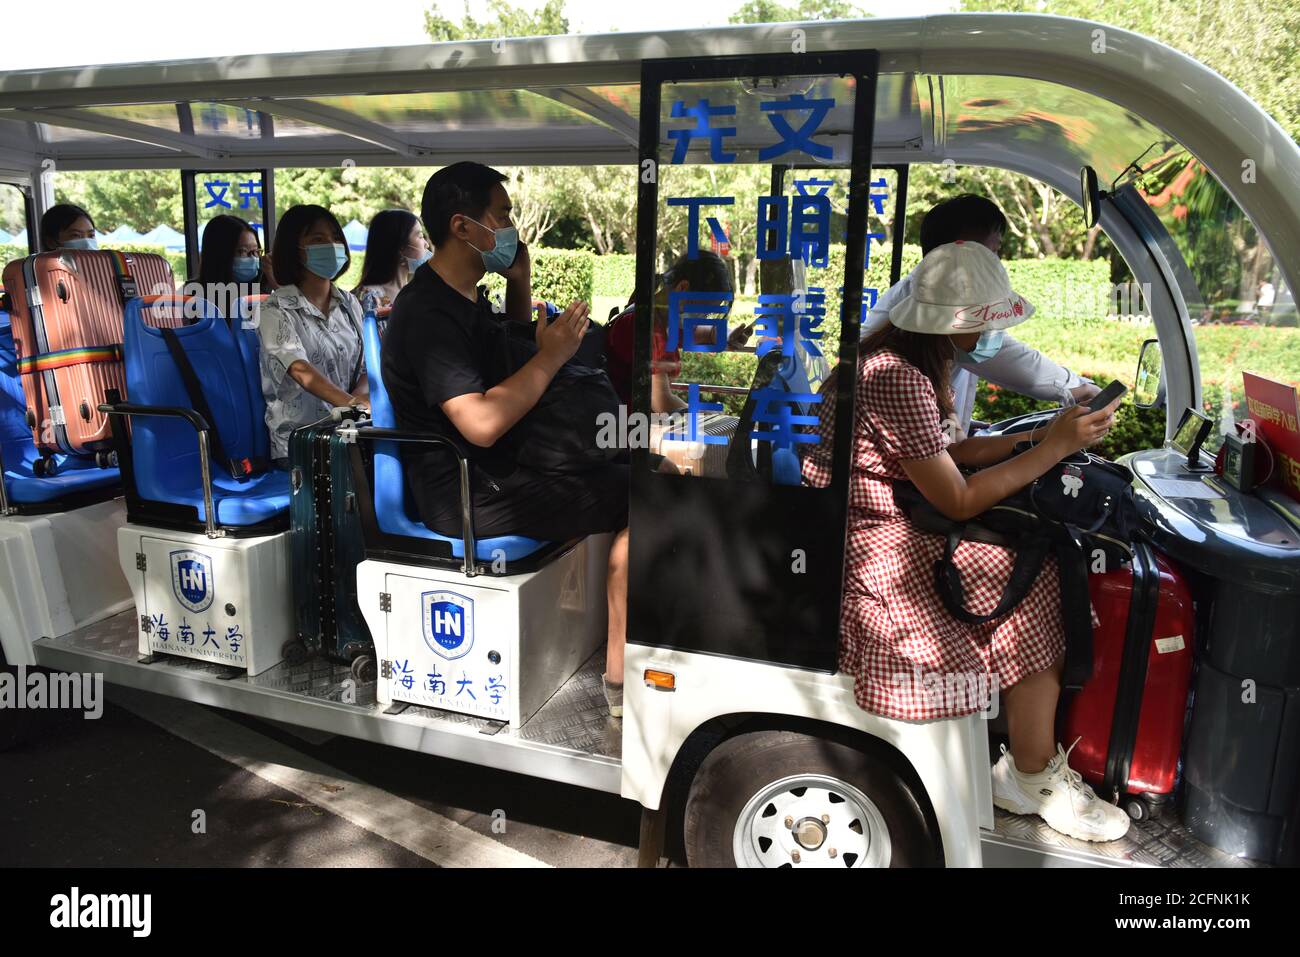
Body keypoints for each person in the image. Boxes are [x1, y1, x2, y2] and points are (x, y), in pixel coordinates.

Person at [804, 240, 1129, 843]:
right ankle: (1032, 774)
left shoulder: (909, 360)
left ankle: (1026, 759)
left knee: (1035, 557)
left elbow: (952, 450)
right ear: (955, 324)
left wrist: (1040, 436)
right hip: (871, 541)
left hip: (896, 516)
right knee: (1041, 576)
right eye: (988, 322)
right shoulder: (896, 376)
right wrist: (1055, 447)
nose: (993, 335)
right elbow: (957, 497)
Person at [382, 161, 630, 716]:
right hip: (466, 491)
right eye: (502, 216)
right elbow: (482, 422)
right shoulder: (427, 313)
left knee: (640, 468)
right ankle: (620, 676)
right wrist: (553, 356)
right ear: (462, 226)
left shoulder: (467, 299)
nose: (511, 228)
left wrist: (520, 283)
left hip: (502, 470)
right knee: (643, 496)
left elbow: (507, 360)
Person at [866, 194, 1100, 437]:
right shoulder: (904, 379)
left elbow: (954, 444)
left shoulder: (930, 347)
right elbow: (953, 459)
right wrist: (1059, 428)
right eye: (991, 252)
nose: (989, 332)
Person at [254, 204, 368, 467]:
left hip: (349, 431)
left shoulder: (349, 304)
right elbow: (300, 369)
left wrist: (360, 400)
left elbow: (364, 366)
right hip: (302, 442)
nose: (331, 245)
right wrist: (352, 403)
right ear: (294, 250)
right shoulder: (274, 309)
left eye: (335, 237)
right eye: (318, 239)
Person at [605, 249, 749, 412]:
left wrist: (729, 335)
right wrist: (706, 415)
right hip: (622, 425)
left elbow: (706, 333)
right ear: (683, 288)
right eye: (703, 310)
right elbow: (662, 402)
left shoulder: (661, 318)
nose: (703, 317)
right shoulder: (647, 325)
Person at [196, 214, 276, 320]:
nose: (253, 258)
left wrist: (275, 285)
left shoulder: (261, 288)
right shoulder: (193, 298)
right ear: (220, 255)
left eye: (255, 251)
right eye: (243, 251)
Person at [353, 209, 430, 314]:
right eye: (420, 236)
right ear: (400, 246)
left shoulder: (419, 292)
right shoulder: (369, 296)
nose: (426, 244)